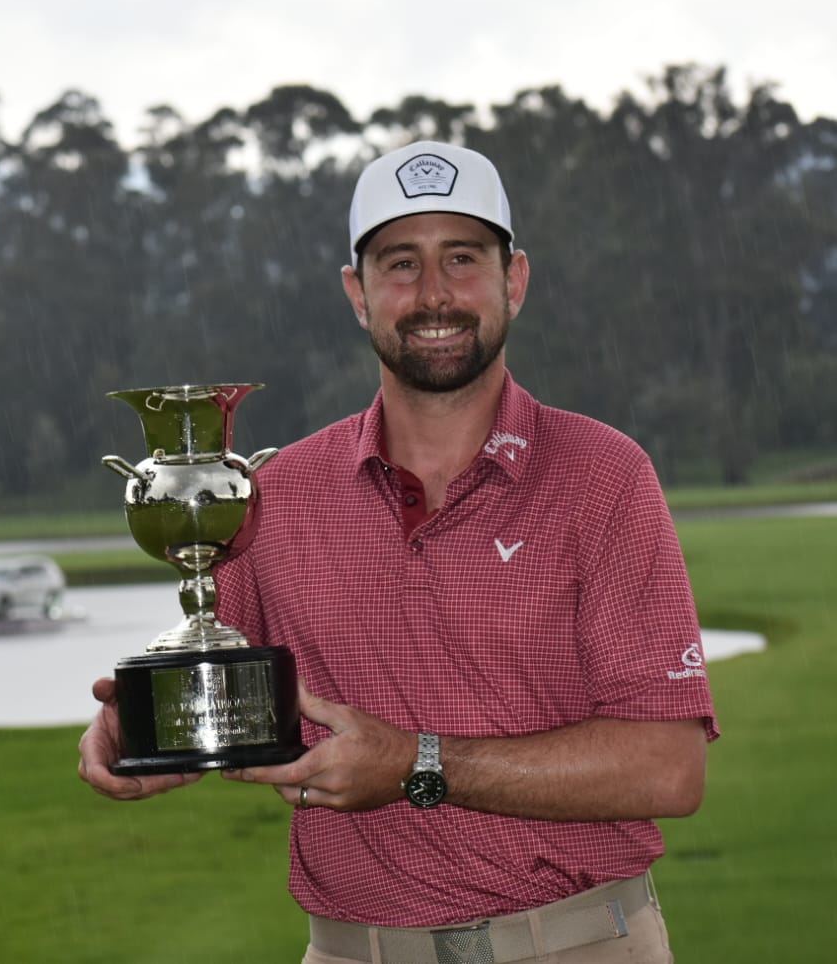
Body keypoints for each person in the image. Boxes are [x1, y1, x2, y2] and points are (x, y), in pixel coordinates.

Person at [78, 140, 716, 964]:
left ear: (513, 279)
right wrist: (139, 737)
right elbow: (221, 692)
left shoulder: (602, 476)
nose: (434, 294)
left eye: (462, 258)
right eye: (399, 263)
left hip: (579, 943)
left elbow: (668, 769)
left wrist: (416, 762)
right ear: (358, 292)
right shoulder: (276, 493)